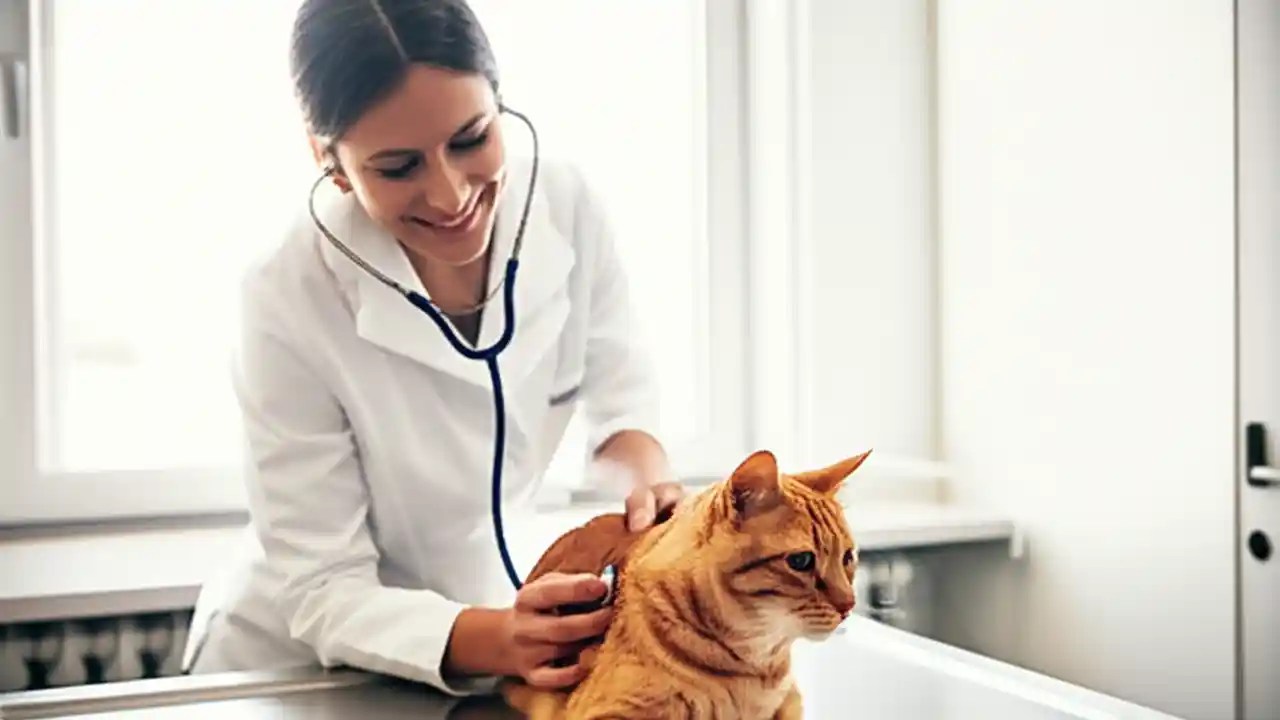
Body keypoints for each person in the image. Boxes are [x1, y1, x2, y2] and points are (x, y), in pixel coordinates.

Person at [180, 0, 684, 697]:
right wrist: (499, 637)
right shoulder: (283, 296)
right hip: (294, 672)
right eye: (397, 167)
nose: (449, 193)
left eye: (471, 138)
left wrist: (644, 490)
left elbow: (621, 401)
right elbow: (325, 585)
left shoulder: (567, 207)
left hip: (482, 646)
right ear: (327, 160)